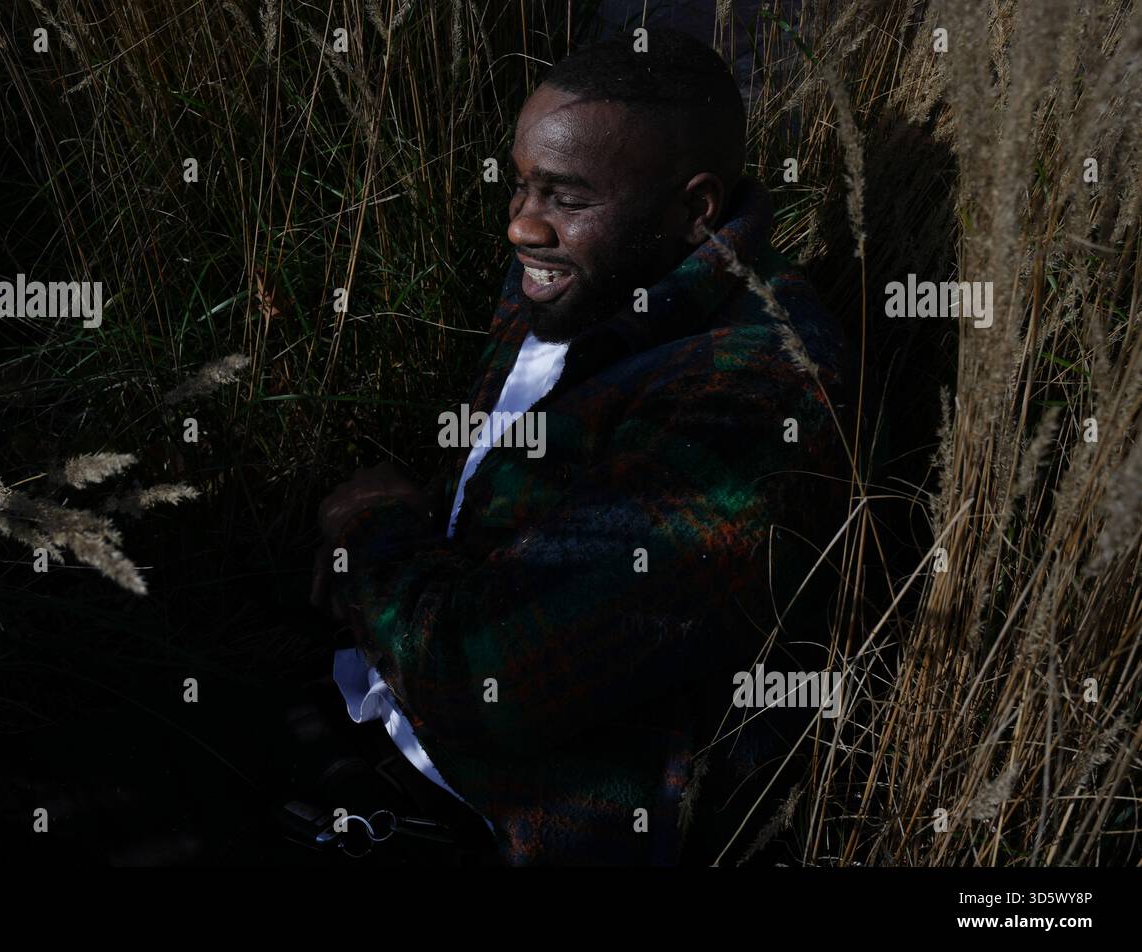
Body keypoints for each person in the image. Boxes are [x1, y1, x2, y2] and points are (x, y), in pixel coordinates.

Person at [305, 28, 847, 866]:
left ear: (693, 209)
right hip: (382, 706)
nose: (523, 226)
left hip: (511, 821)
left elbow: (481, 681)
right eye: (521, 184)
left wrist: (368, 531)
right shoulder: (582, 273)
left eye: (565, 196)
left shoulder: (748, 397)